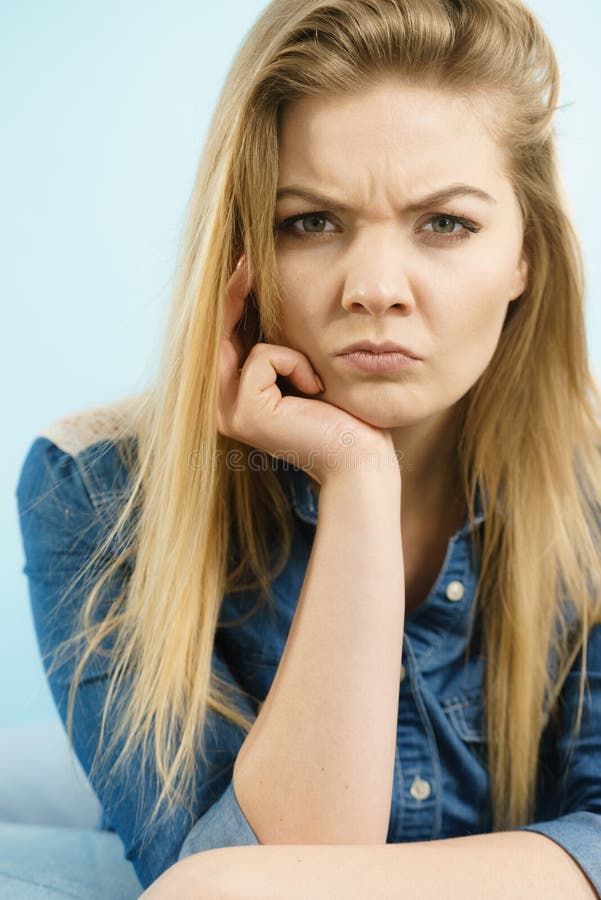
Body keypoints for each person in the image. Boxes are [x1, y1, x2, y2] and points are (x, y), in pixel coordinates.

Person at [9, 0, 601, 897]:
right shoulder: (94, 486)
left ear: (525, 255)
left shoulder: (588, 488)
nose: (373, 289)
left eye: (444, 223)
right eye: (309, 223)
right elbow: (237, 879)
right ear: (243, 246)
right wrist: (359, 478)